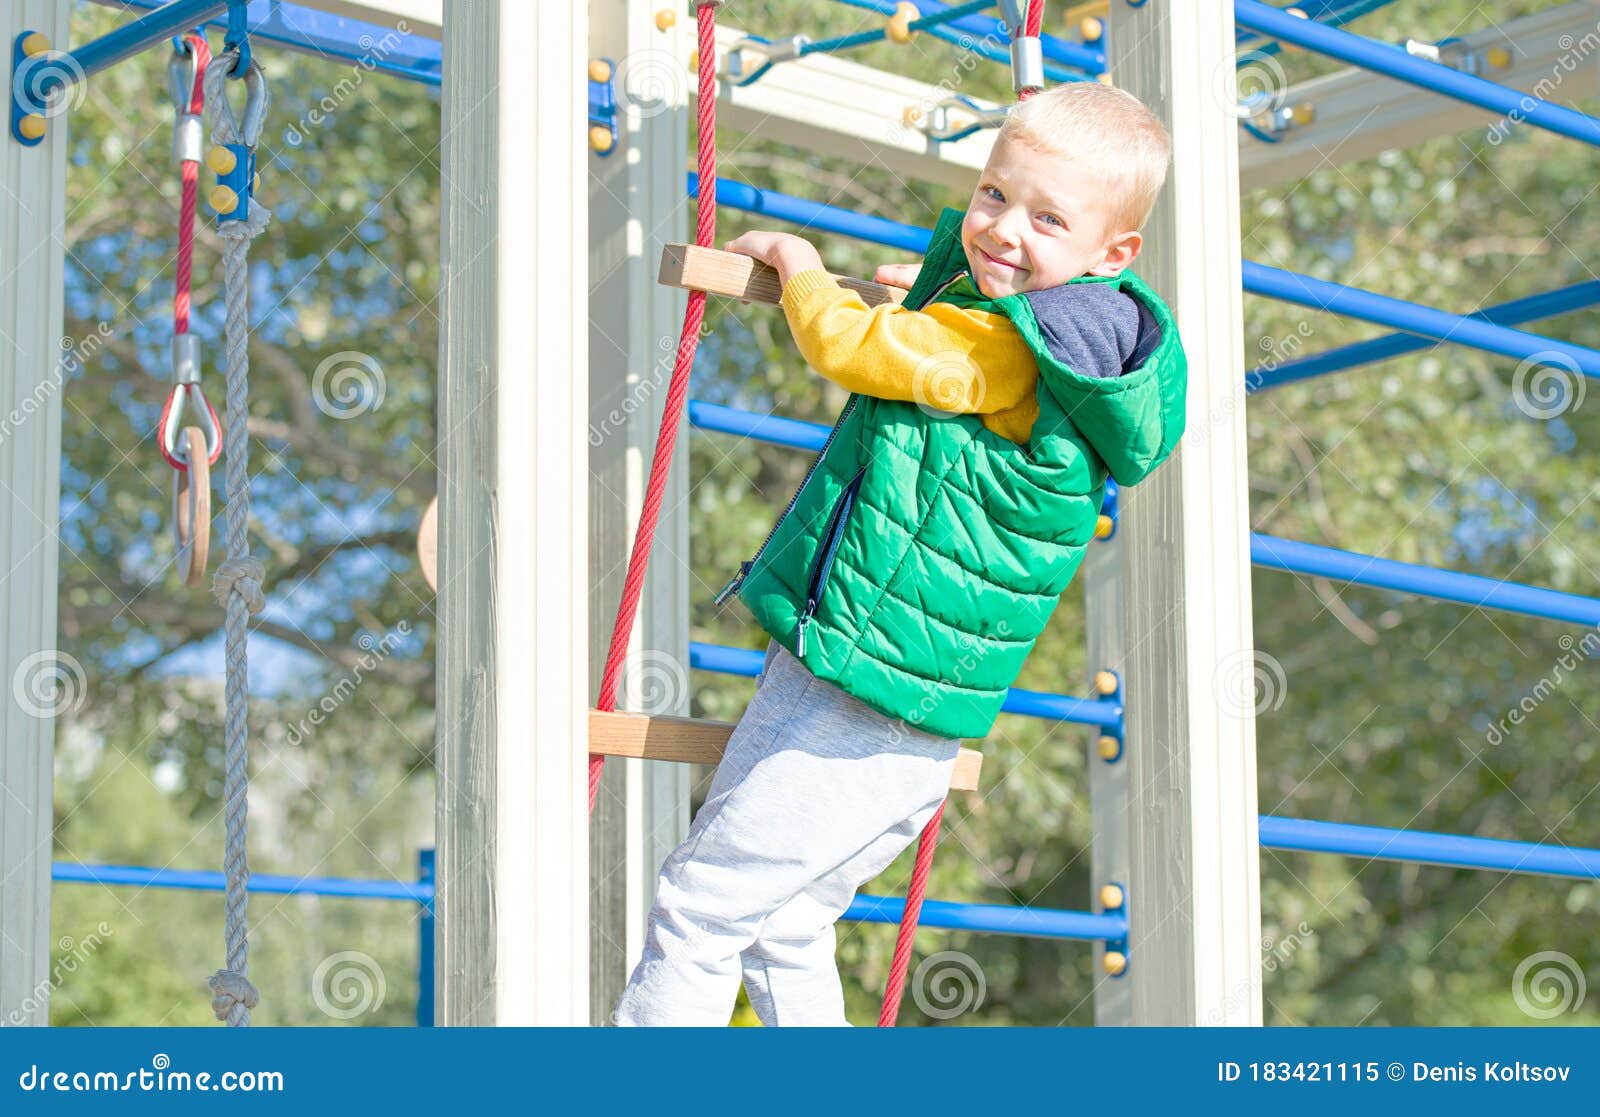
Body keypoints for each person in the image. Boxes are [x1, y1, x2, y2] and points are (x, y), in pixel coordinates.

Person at [614, 81, 1187, 1026]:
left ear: (1112, 255)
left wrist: (798, 262)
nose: (1004, 228)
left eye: (1048, 218)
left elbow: (855, 348)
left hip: (862, 685)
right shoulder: (1080, 352)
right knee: (785, 923)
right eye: (995, 194)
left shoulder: (1014, 344)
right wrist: (938, 288)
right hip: (913, 708)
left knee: (701, 907)